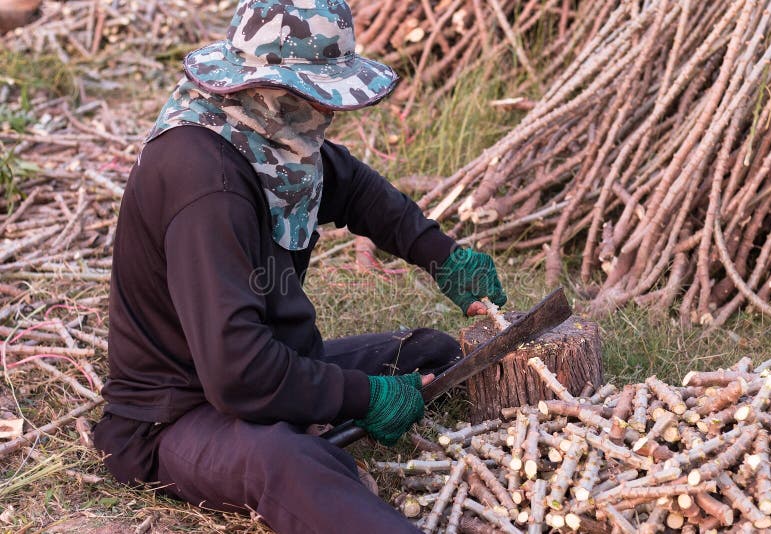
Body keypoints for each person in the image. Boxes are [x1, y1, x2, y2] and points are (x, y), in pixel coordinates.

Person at [93, 1, 506, 532]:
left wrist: (443, 257)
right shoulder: (206, 182)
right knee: (291, 464)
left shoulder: (264, 138)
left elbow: (355, 189)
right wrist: (364, 396)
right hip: (174, 415)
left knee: (430, 352)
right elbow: (237, 374)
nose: (328, 113)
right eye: (318, 95)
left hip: (267, 363)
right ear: (274, 91)